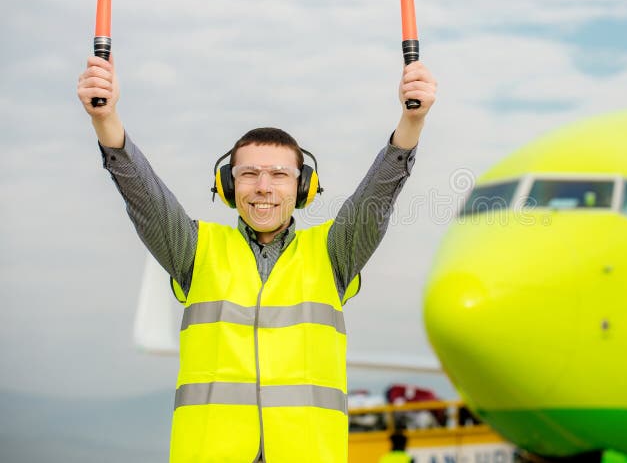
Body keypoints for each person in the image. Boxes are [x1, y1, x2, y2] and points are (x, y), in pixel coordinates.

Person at [76, 54, 436, 463]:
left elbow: (378, 196)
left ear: (303, 187)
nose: (263, 187)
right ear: (228, 185)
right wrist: (106, 120)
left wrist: (412, 123)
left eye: (280, 175)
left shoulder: (334, 253)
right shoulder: (195, 249)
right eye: (248, 174)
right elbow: (143, 195)